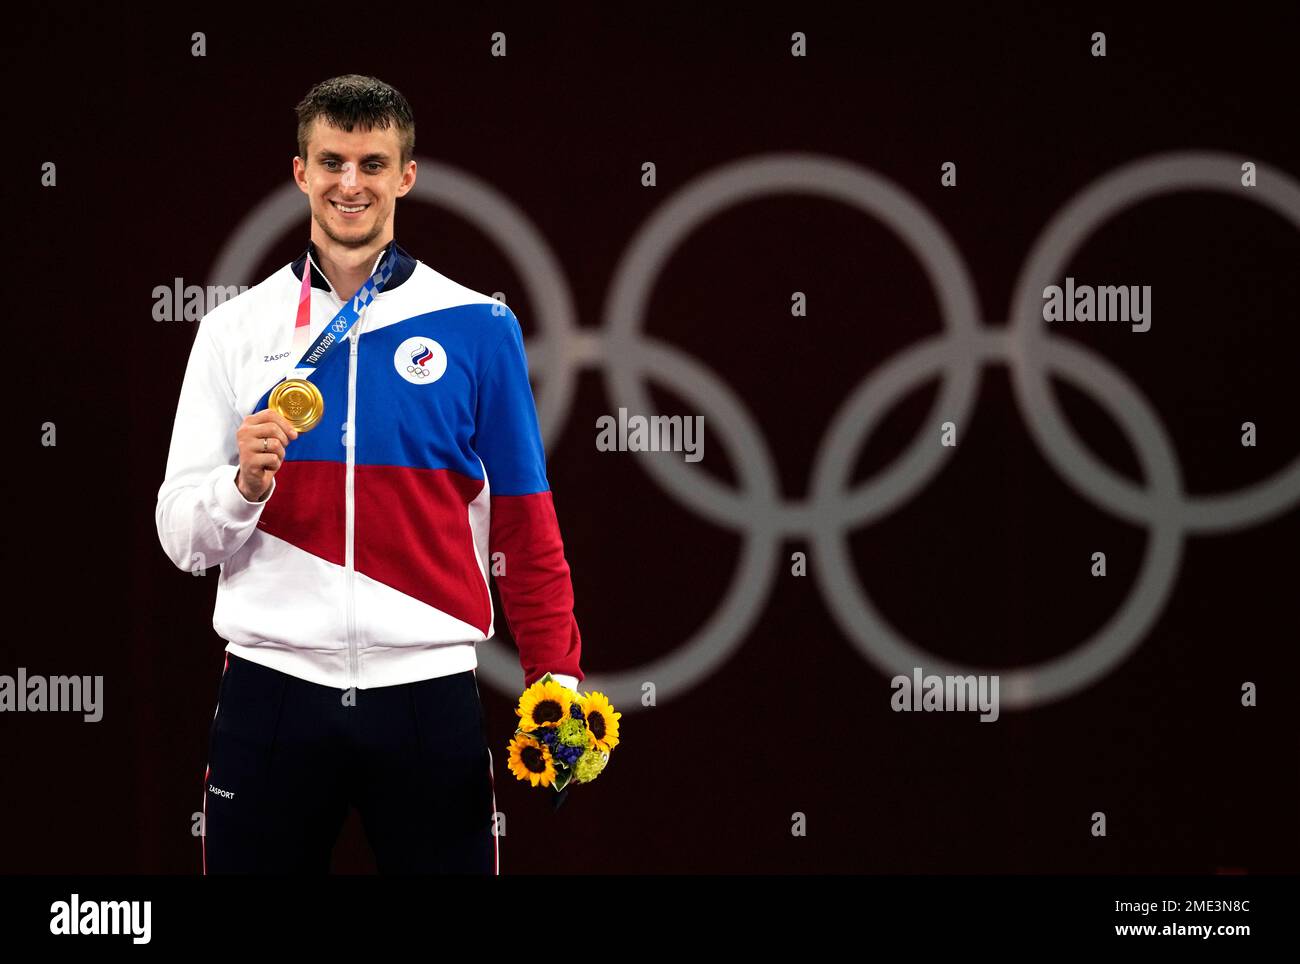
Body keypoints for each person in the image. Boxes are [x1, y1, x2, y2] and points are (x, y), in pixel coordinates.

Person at [155, 74, 585, 874]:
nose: (350, 184)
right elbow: (183, 539)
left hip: (427, 696)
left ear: (405, 175)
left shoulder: (478, 327)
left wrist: (556, 678)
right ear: (301, 172)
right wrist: (240, 489)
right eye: (332, 162)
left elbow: (527, 523)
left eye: (372, 163)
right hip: (272, 689)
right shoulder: (231, 331)